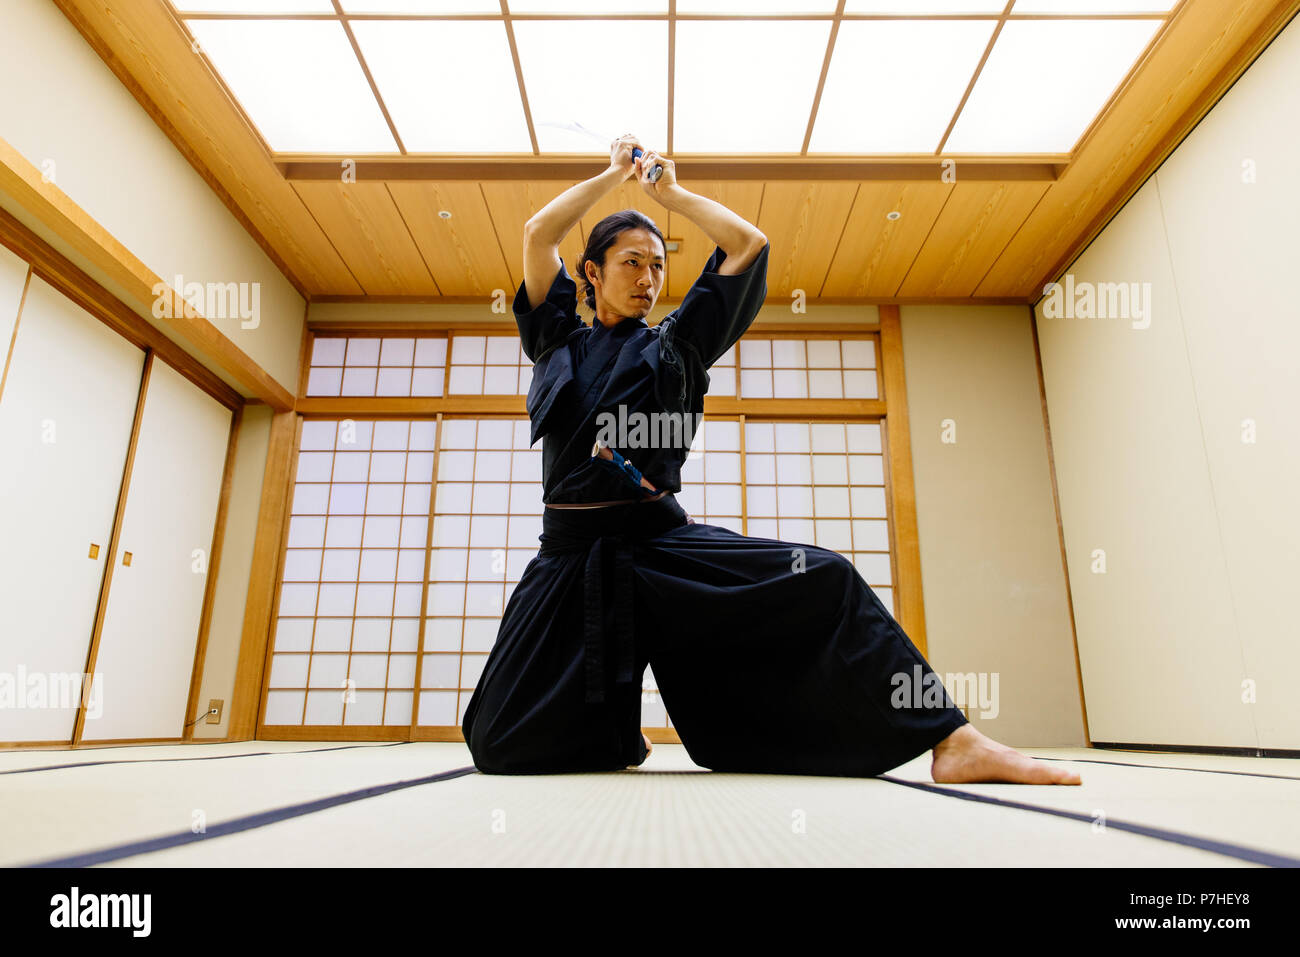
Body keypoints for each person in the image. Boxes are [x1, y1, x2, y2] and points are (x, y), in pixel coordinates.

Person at [461, 134, 1081, 786]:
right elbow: (538, 232)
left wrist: (668, 195)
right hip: (570, 553)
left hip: (658, 543)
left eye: (657, 266)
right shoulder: (556, 336)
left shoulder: (678, 343)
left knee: (828, 577)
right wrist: (612, 173)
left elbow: (749, 244)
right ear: (591, 272)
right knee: (498, 742)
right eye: (631, 263)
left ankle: (953, 738)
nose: (648, 279)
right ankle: (612, 730)